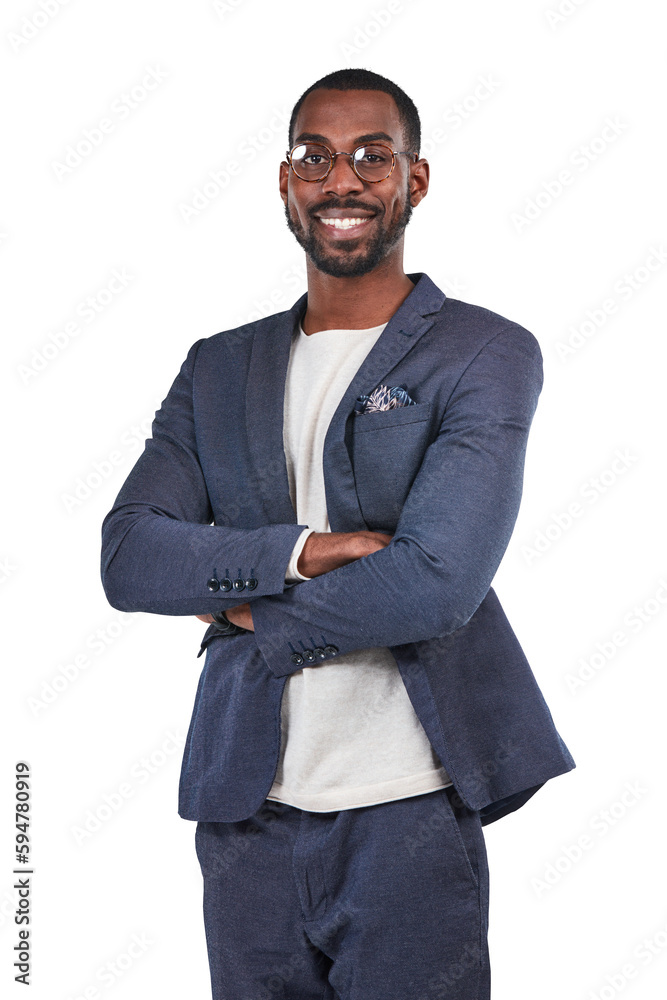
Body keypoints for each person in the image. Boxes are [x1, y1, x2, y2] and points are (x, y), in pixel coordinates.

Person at [101, 67, 575, 1000]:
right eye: (313, 157)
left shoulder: (482, 351)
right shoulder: (217, 367)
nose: (341, 180)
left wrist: (243, 613)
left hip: (408, 811)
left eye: (371, 156)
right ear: (286, 183)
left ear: (415, 180)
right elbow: (129, 556)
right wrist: (305, 551)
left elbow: (436, 581)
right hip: (246, 814)